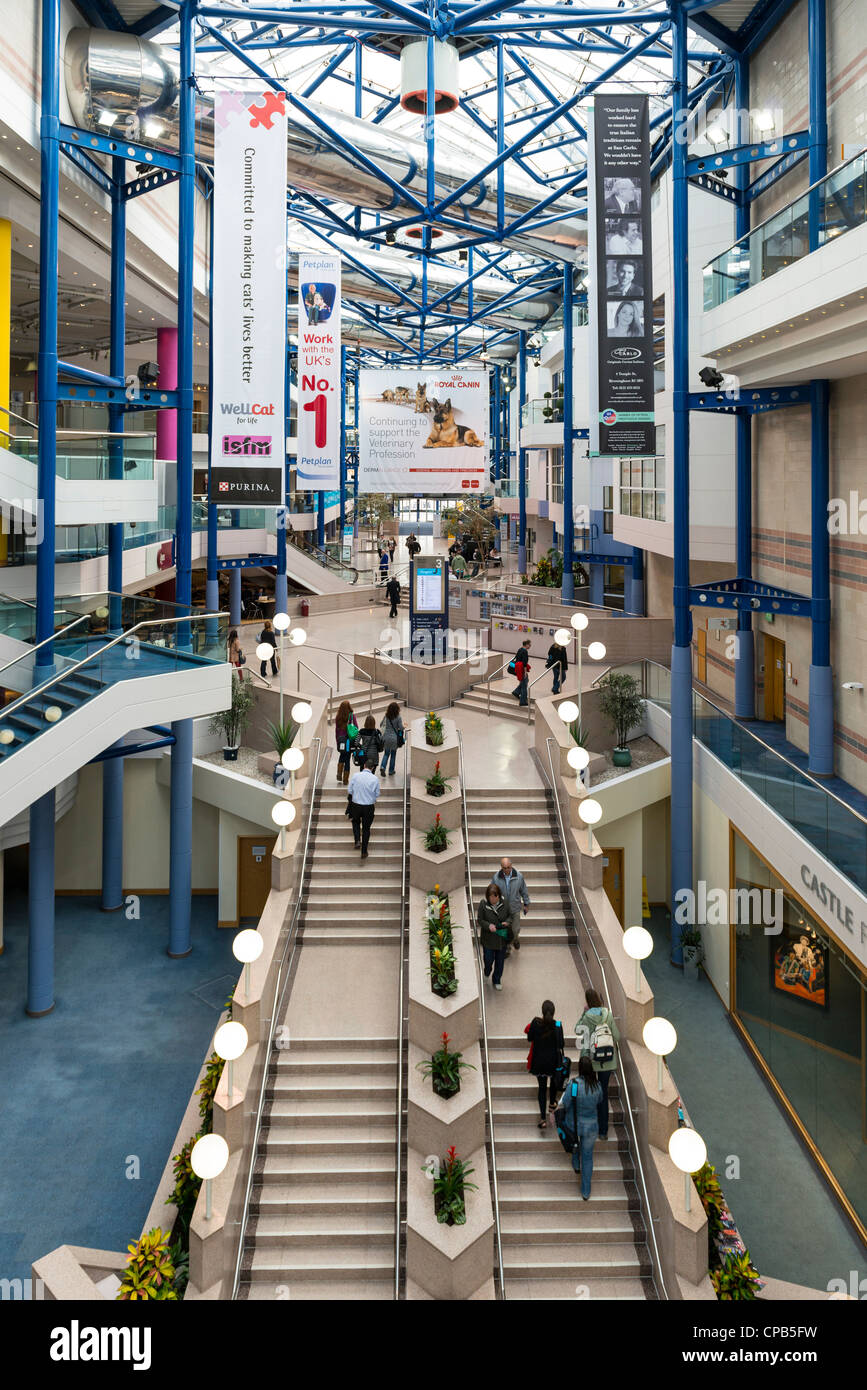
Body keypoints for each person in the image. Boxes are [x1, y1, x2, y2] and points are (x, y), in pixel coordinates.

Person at [575, 988, 621, 1141]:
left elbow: (577, 1030)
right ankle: (603, 1131)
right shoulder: (607, 1014)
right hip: (607, 1061)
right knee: (603, 1094)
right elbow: (617, 1036)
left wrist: (583, 1012)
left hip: (591, 1061)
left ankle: (588, 1127)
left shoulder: (588, 1017)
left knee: (588, 1092)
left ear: (588, 1001)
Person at [559, 1057, 602, 1199]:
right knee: (588, 1157)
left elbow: (566, 1102)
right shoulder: (597, 1085)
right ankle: (586, 1190)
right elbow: (600, 1101)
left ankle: (576, 1164)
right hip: (591, 1126)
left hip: (575, 1124)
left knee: (575, 1144)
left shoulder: (575, 1084)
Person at [524, 1000, 566, 1129]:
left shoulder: (536, 1023)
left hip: (539, 1062)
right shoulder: (558, 1025)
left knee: (542, 1089)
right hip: (553, 1063)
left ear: (542, 1012)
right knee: (553, 1087)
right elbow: (561, 1045)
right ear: (554, 1012)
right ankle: (552, 1109)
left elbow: (529, 1038)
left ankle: (543, 1119)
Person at [477, 882, 512, 990]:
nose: (492, 899)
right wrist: (488, 925)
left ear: (498, 896)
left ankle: (497, 980)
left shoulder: (505, 903)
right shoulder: (483, 904)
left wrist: (507, 922)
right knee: (488, 959)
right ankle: (487, 972)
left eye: (494, 897)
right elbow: (480, 920)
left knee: (500, 962)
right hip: (488, 939)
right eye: (490, 897)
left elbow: (510, 916)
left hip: (501, 938)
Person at [347, 755, 380, 858]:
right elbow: (377, 794)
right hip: (368, 807)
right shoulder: (375, 779)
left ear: (364, 765)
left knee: (355, 822)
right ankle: (364, 851)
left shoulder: (356, 775)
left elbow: (350, 791)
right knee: (366, 829)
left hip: (356, 805)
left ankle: (357, 840)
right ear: (372, 768)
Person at [493, 856, 530, 950]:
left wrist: (526, 904)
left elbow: (523, 891)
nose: (507, 870)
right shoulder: (496, 877)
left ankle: (516, 939)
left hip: (515, 907)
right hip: (503, 909)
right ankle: (507, 946)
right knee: (505, 929)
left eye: (508, 867)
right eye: (504, 868)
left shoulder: (519, 876)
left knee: (515, 929)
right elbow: (492, 891)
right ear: (501, 867)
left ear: (511, 866)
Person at [334, 699, 358, 785]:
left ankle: (339, 774)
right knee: (347, 759)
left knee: (341, 755)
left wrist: (337, 740)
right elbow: (356, 728)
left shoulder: (338, 717)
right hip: (349, 741)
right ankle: (345, 779)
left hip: (341, 740)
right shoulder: (351, 716)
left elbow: (336, 730)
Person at [379, 701, 404, 776]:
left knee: (386, 754)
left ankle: (383, 766)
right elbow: (401, 728)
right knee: (393, 755)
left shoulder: (386, 716)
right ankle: (391, 770)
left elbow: (381, 724)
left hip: (386, 737)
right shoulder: (398, 717)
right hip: (394, 739)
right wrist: (404, 726)